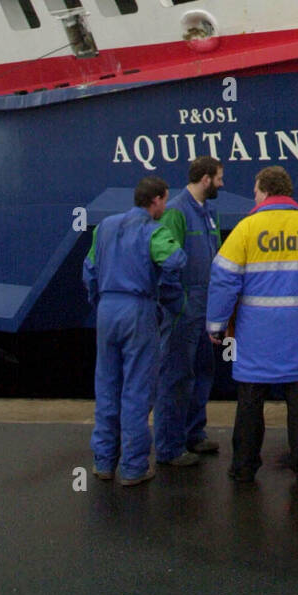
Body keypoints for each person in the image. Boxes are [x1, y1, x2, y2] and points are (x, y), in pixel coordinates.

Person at [206, 165, 298, 485]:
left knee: (250, 404)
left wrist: (216, 324)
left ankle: (244, 467)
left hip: (256, 335)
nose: (253, 195)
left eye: (255, 190)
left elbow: (224, 279)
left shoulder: (246, 229)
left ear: (265, 191)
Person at [83, 177, 186, 486]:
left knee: (107, 387)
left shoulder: (104, 228)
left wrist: (98, 301)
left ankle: (103, 462)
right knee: (137, 391)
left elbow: (89, 271)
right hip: (137, 310)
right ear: (155, 200)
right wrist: (170, 298)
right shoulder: (153, 231)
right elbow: (175, 260)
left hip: (106, 309)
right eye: (165, 201)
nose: (165, 207)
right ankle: (133, 467)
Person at [154, 156, 224, 467]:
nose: (222, 184)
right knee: (176, 376)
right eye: (219, 178)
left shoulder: (209, 213)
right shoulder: (177, 212)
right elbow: (165, 261)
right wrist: (177, 305)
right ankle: (169, 448)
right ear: (206, 179)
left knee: (202, 371)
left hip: (205, 307)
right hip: (184, 310)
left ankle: (194, 434)